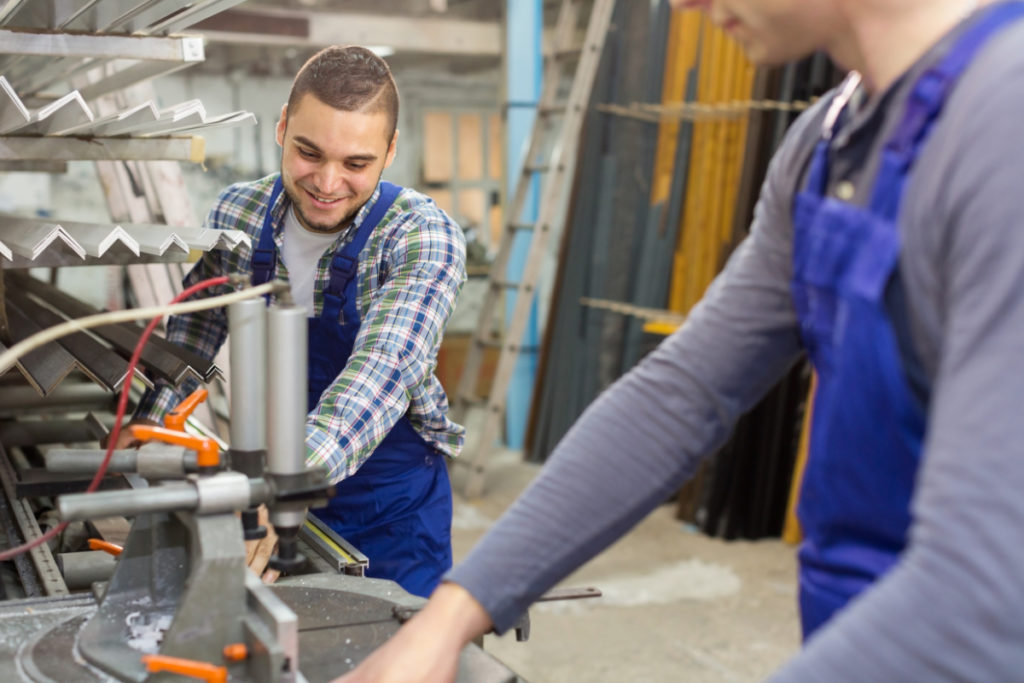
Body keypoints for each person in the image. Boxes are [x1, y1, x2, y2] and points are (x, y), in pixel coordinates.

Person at [338, 0, 1024, 680]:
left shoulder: (1003, 121)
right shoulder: (831, 139)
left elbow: (986, 589)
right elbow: (679, 396)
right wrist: (451, 614)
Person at [117, 46, 467, 599]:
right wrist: (148, 440)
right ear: (282, 126)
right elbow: (192, 340)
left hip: (390, 507)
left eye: (356, 164)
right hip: (270, 475)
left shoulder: (420, 236)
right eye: (309, 152)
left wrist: (286, 481)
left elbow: (386, 367)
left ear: (390, 150)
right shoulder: (238, 214)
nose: (327, 183)